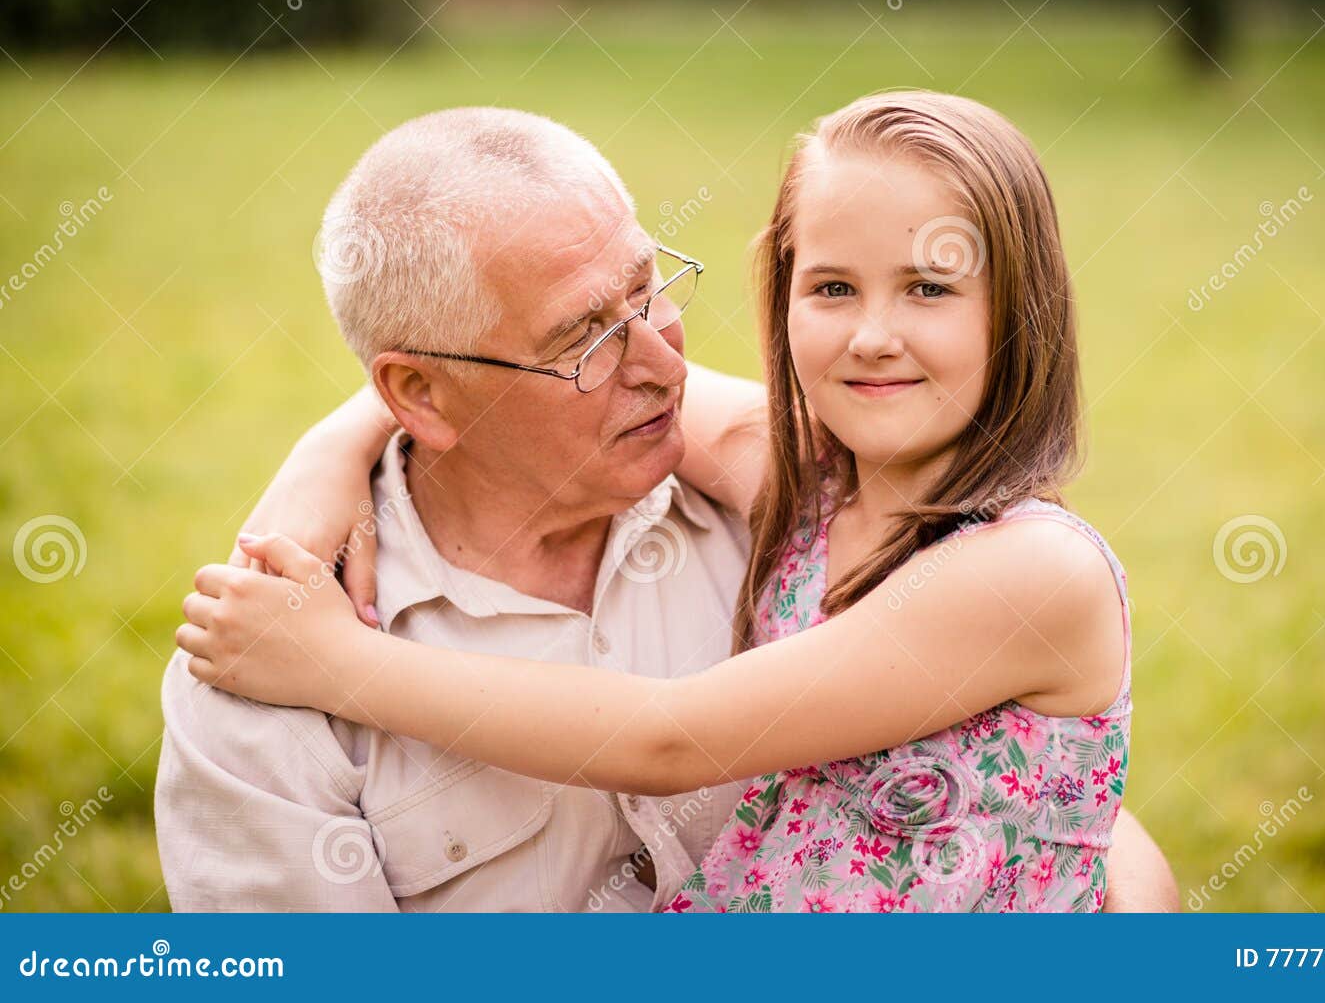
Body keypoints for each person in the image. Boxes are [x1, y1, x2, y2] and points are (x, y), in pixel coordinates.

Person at [175, 92, 1171, 912]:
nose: (659, 366)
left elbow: (672, 739)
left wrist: (340, 661)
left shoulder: (970, 549)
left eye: (649, 293)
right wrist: (338, 446)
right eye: (830, 288)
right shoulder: (806, 481)